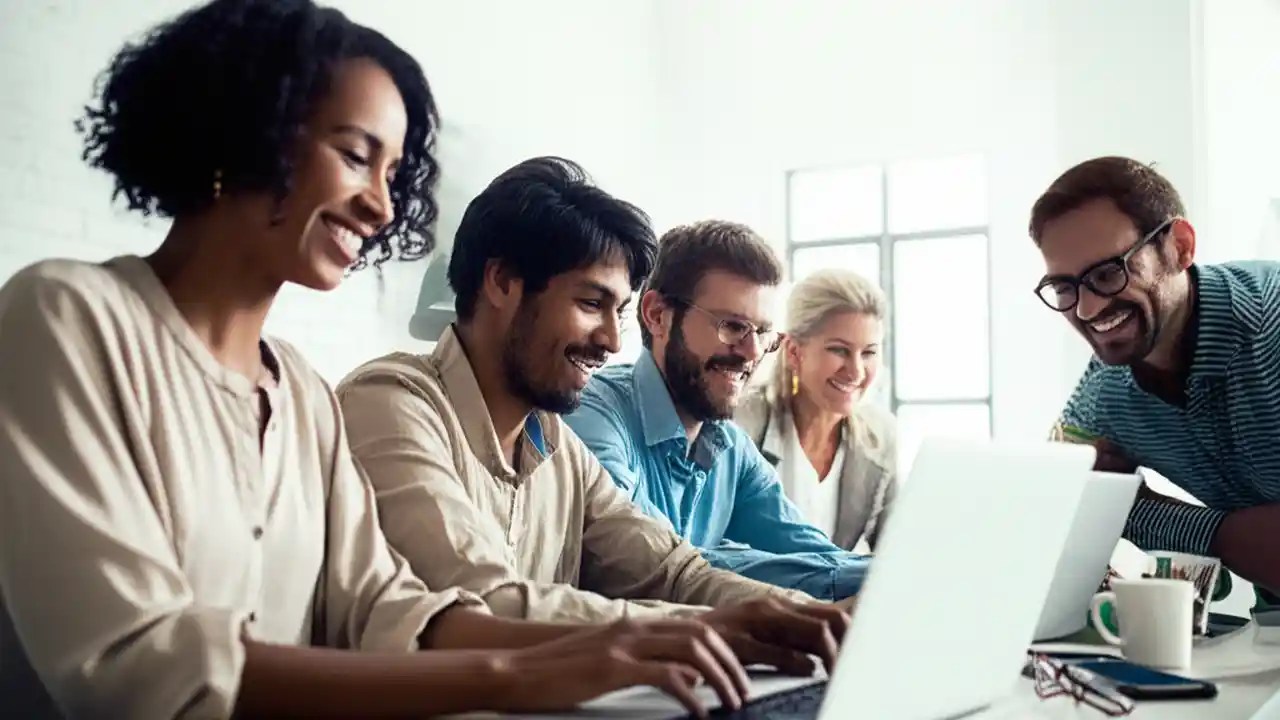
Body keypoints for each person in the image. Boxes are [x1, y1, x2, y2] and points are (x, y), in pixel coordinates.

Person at [0, 3, 763, 717]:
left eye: (391, 175)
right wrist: (529, 669)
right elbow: (139, 660)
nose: (382, 206)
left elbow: (385, 610)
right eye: (356, 156)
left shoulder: (297, 388)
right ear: (243, 130)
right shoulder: (65, 316)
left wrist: (639, 641)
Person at [336, 156, 851, 683]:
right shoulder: (390, 403)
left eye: (618, 312)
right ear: (502, 282)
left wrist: (804, 617)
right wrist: (711, 628)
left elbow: (674, 573)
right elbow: (483, 604)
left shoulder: (558, 446)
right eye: (590, 302)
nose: (610, 341)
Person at [564, 220, 870, 600]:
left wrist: (897, 574)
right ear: (657, 315)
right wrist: (874, 580)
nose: (753, 352)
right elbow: (655, 563)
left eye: (762, 333)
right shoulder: (590, 413)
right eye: (732, 326)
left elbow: (817, 556)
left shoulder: (730, 447)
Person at [1034, 155, 1280, 604]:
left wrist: (1145, 513)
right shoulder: (1103, 394)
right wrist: (1220, 536)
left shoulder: (1272, 329)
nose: (1087, 311)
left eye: (1109, 273)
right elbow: (1065, 499)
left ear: (1180, 247)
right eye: (1065, 288)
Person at [735, 268, 898, 552]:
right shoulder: (742, 422)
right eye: (839, 350)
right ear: (795, 352)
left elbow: (895, 553)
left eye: (869, 352)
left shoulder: (881, 437)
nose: (856, 372)